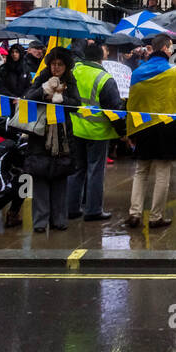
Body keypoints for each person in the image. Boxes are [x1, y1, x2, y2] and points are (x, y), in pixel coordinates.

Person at [124, 34, 176, 228]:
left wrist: (130, 131)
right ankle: (155, 216)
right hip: (167, 128)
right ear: (167, 49)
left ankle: (134, 214)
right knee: (162, 172)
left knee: (141, 171)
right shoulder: (175, 72)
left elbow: (131, 103)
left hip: (142, 127)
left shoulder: (137, 72)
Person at [65, 41, 123, 222]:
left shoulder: (74, 71)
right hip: (97, 132)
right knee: (95, 171)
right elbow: (115, 110)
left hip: (75, 128)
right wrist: (123, 131)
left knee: (76, 170)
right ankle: (93, 210)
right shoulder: (104, 78)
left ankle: (71, 208)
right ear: (101, 58)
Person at [23, 47, 79, 232]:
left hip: (62, 137)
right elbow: (29, 98)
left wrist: (62, 98)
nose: (56, 68)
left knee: (60, 180)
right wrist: (44, 90)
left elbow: (76, 105)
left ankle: (59, 220)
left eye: (60, 64)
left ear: (66, 66)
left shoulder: (71, 81)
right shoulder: (41, 78)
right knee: (40, 180)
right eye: (53, 64)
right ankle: (40, 222)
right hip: (40, 135)